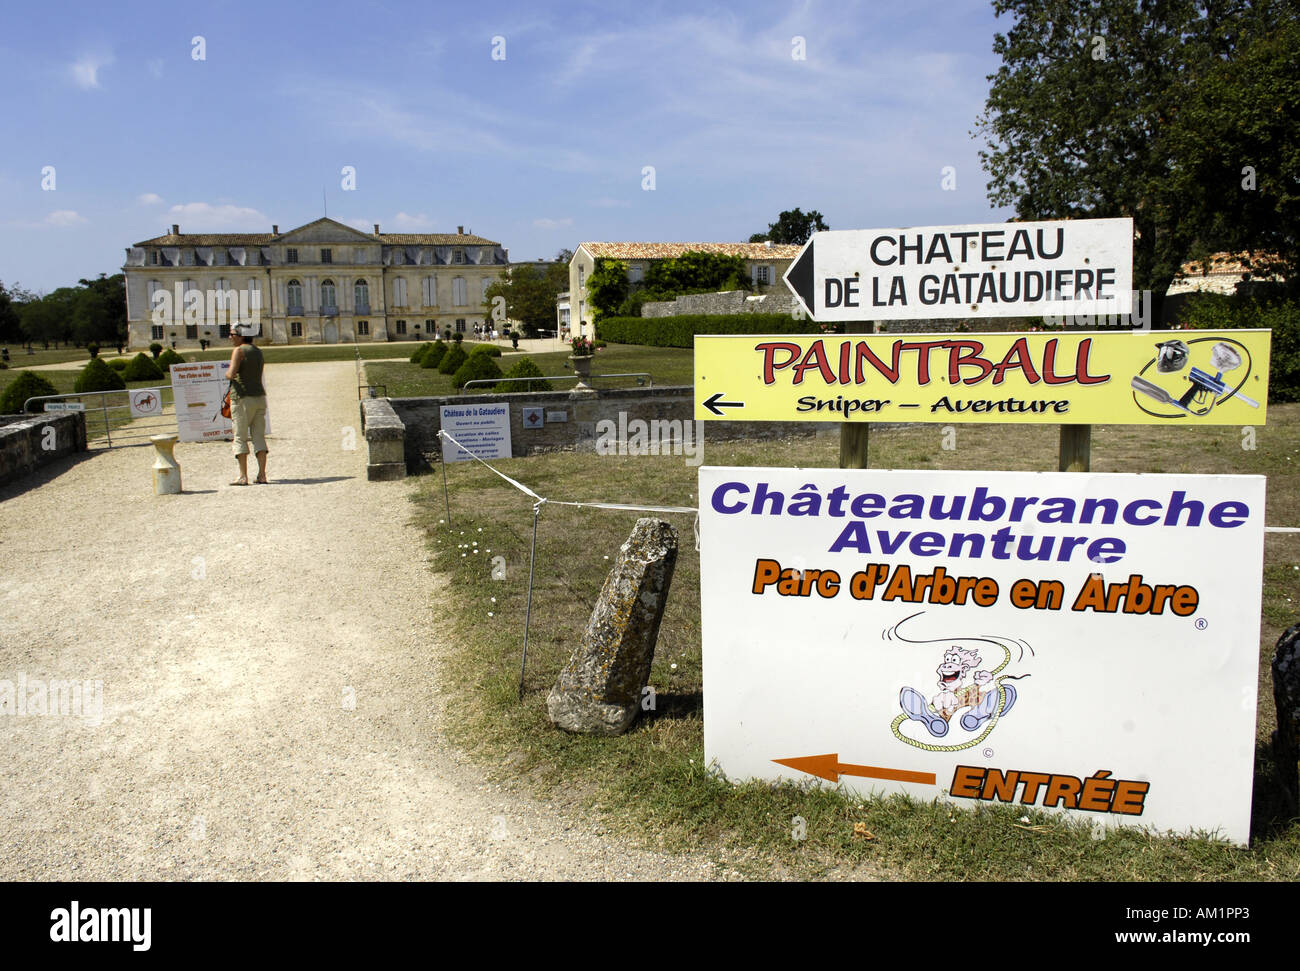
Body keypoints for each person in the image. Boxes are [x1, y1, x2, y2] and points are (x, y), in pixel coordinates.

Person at [226, 323, 268, 485]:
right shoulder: (258, 351)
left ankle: (243, 476)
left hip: (242, 398)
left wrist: (227, 374)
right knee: (259, 436)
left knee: (240, 436)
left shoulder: (239, 350)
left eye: (232, 335)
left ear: (241, 335)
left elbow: (231, 373)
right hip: (259, 397)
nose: (230, 338)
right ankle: (262, 475)